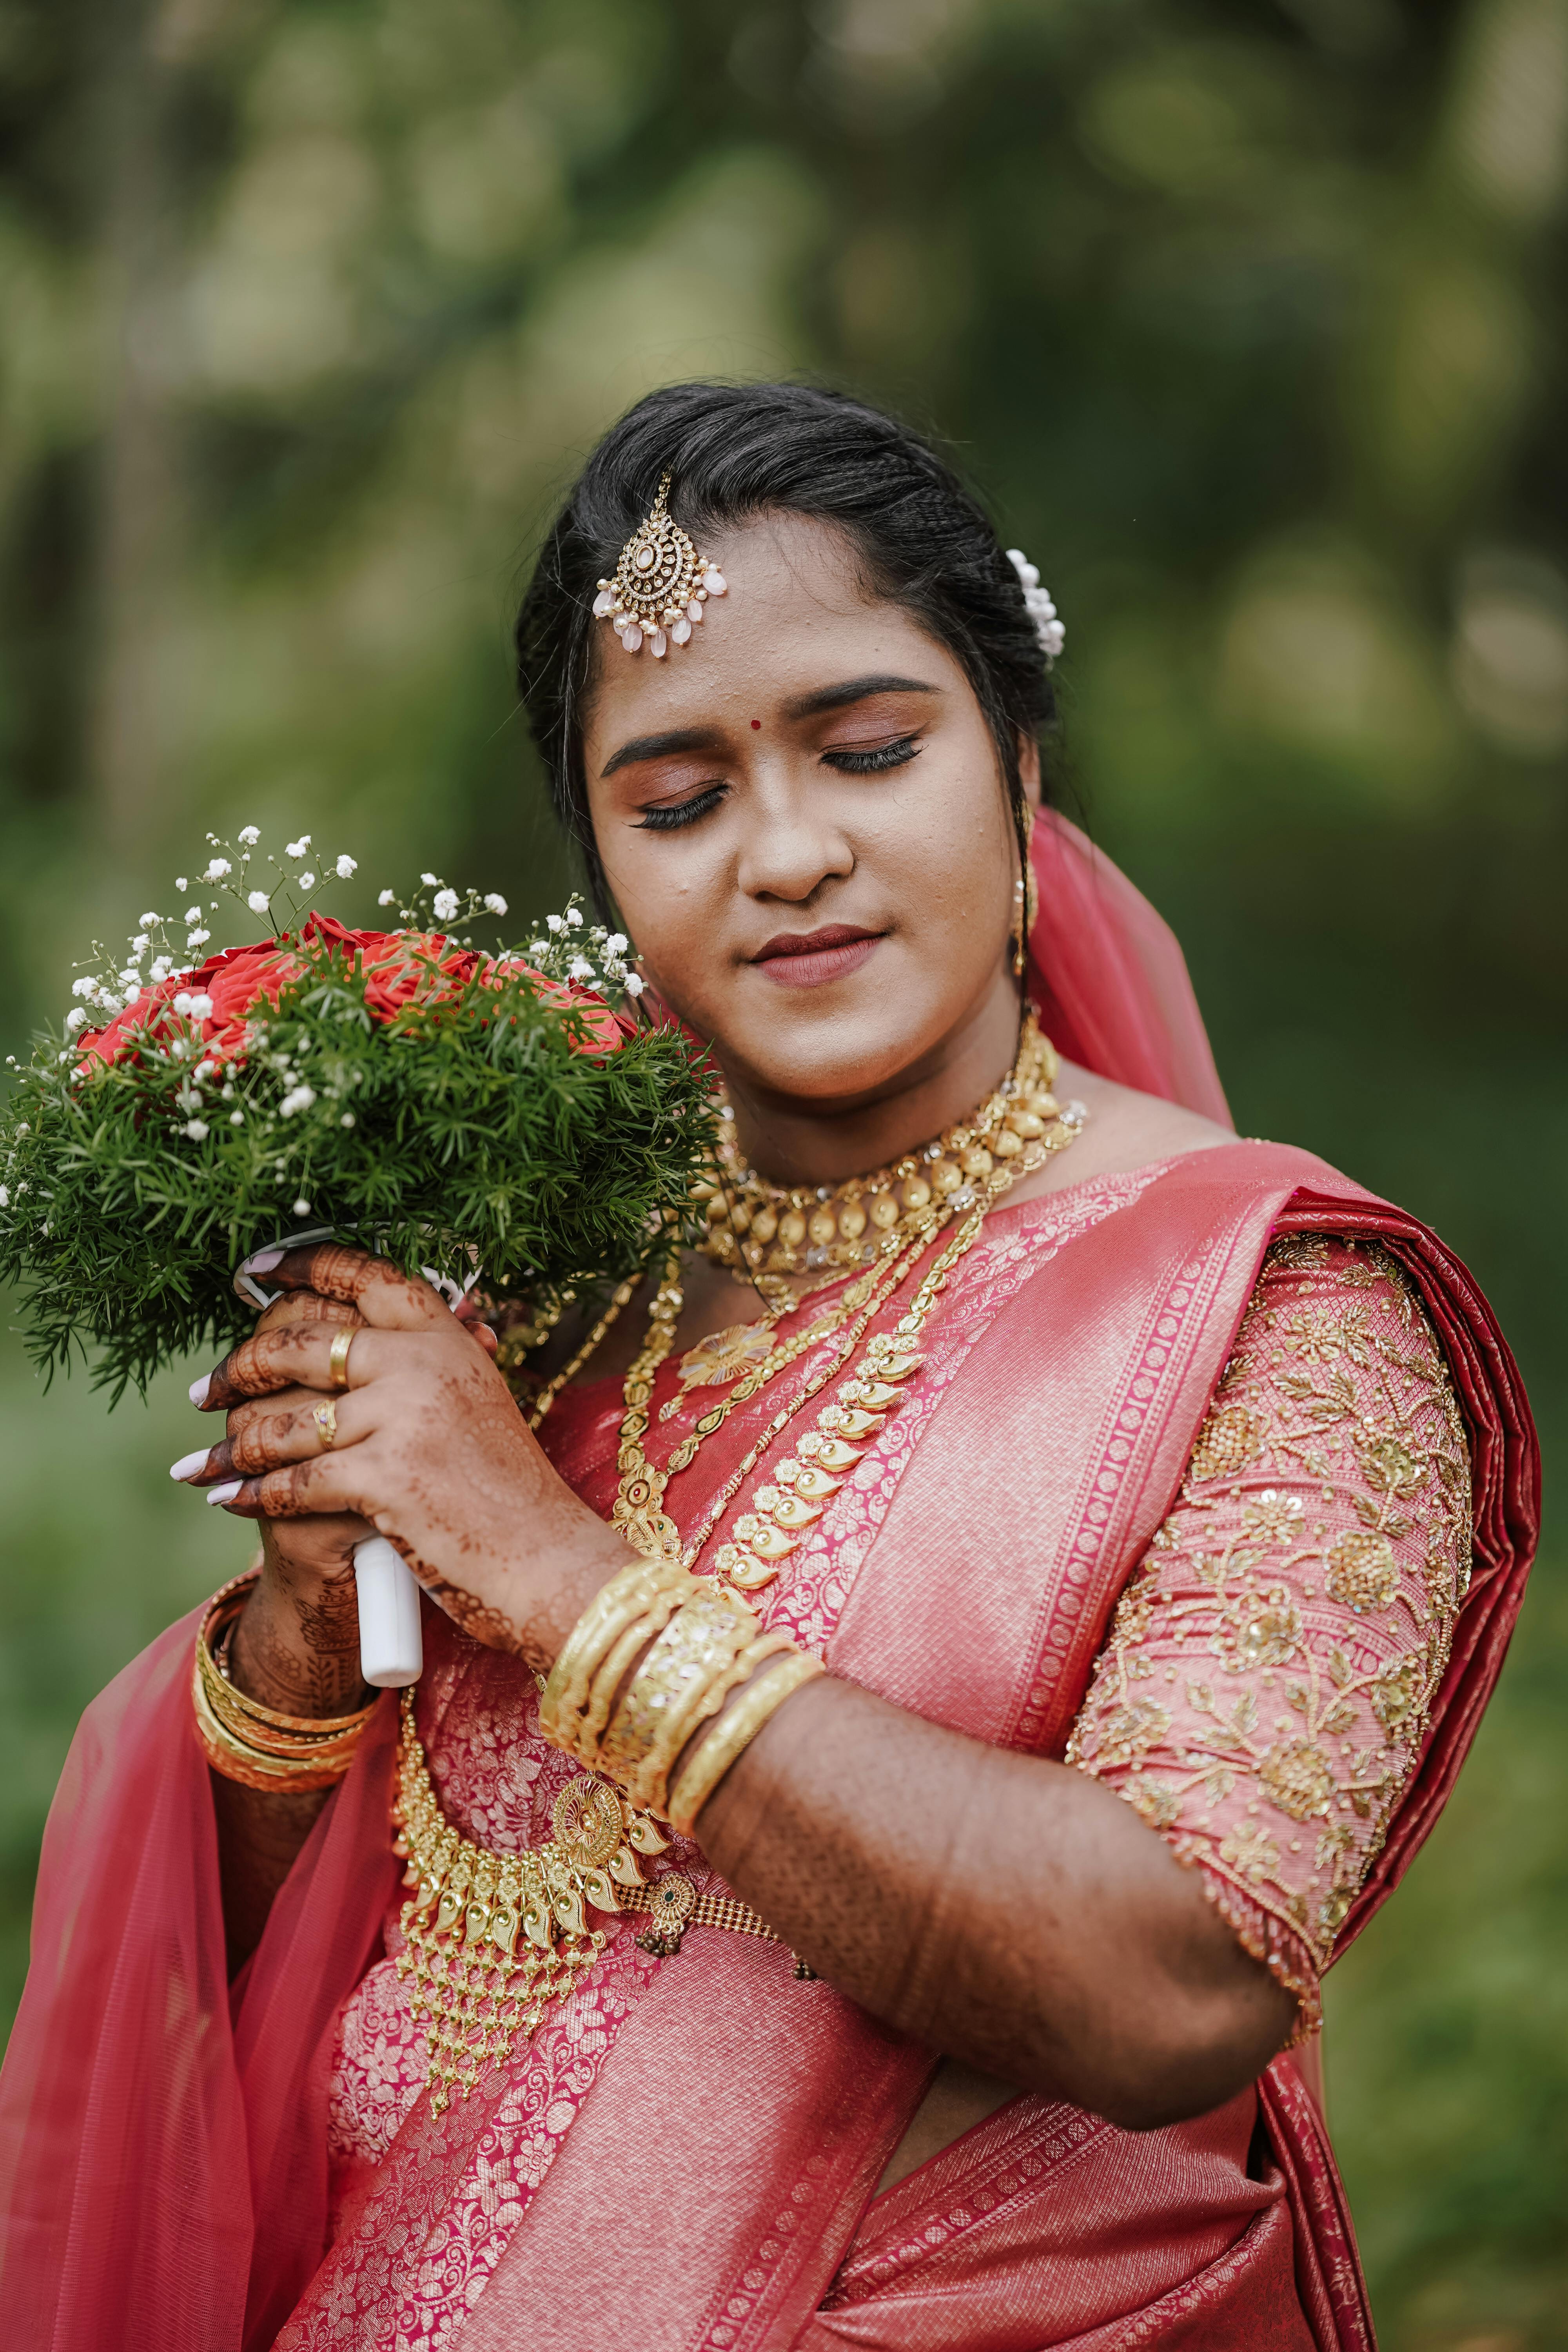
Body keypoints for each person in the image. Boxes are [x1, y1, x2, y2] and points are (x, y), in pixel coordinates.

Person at [0, 383, 1537, 2352]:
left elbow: (1175, 1989)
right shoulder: (539, 1295)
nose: (788, 853)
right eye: (677, 803)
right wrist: (300, 1651)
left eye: (868, 751)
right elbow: (274, 1992)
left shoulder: (1283, 1311)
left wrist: (550, 1573)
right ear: (604, 865)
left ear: (1017, 765)